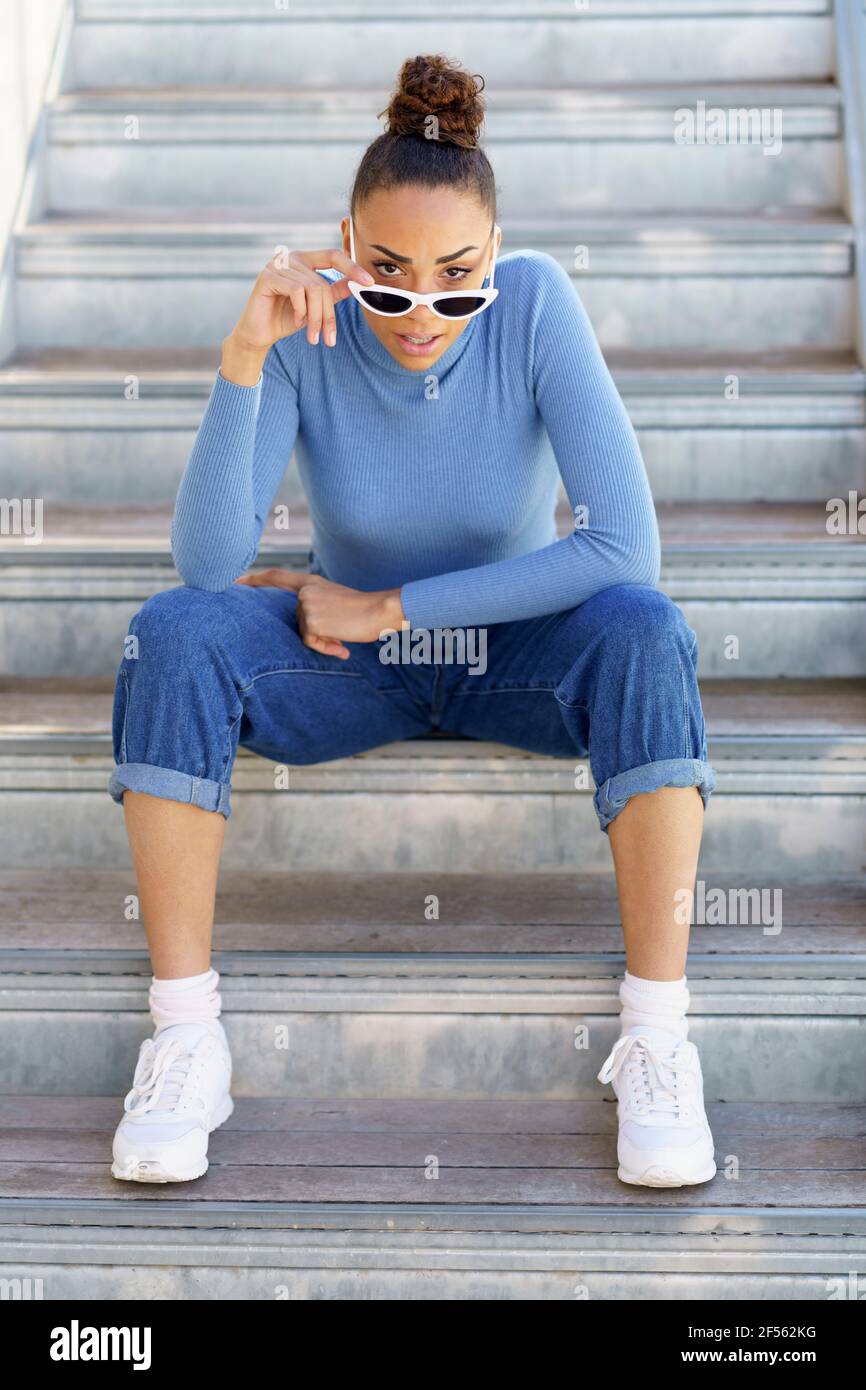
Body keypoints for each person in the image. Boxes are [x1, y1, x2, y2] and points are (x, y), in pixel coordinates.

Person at [108, 55, 716, 1188]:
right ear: (345, 246)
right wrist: (245, 352)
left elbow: (622, 547)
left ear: (497, 256)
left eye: (457, 280)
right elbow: (208, 563)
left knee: (642, 627)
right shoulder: (308, 328)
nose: (421, 313)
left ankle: (655, 1038)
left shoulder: (535, 305)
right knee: (174, 630)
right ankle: (187, 1033)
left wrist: (391, 604)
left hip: (510, 659)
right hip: (348, 667)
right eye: (386, 280)